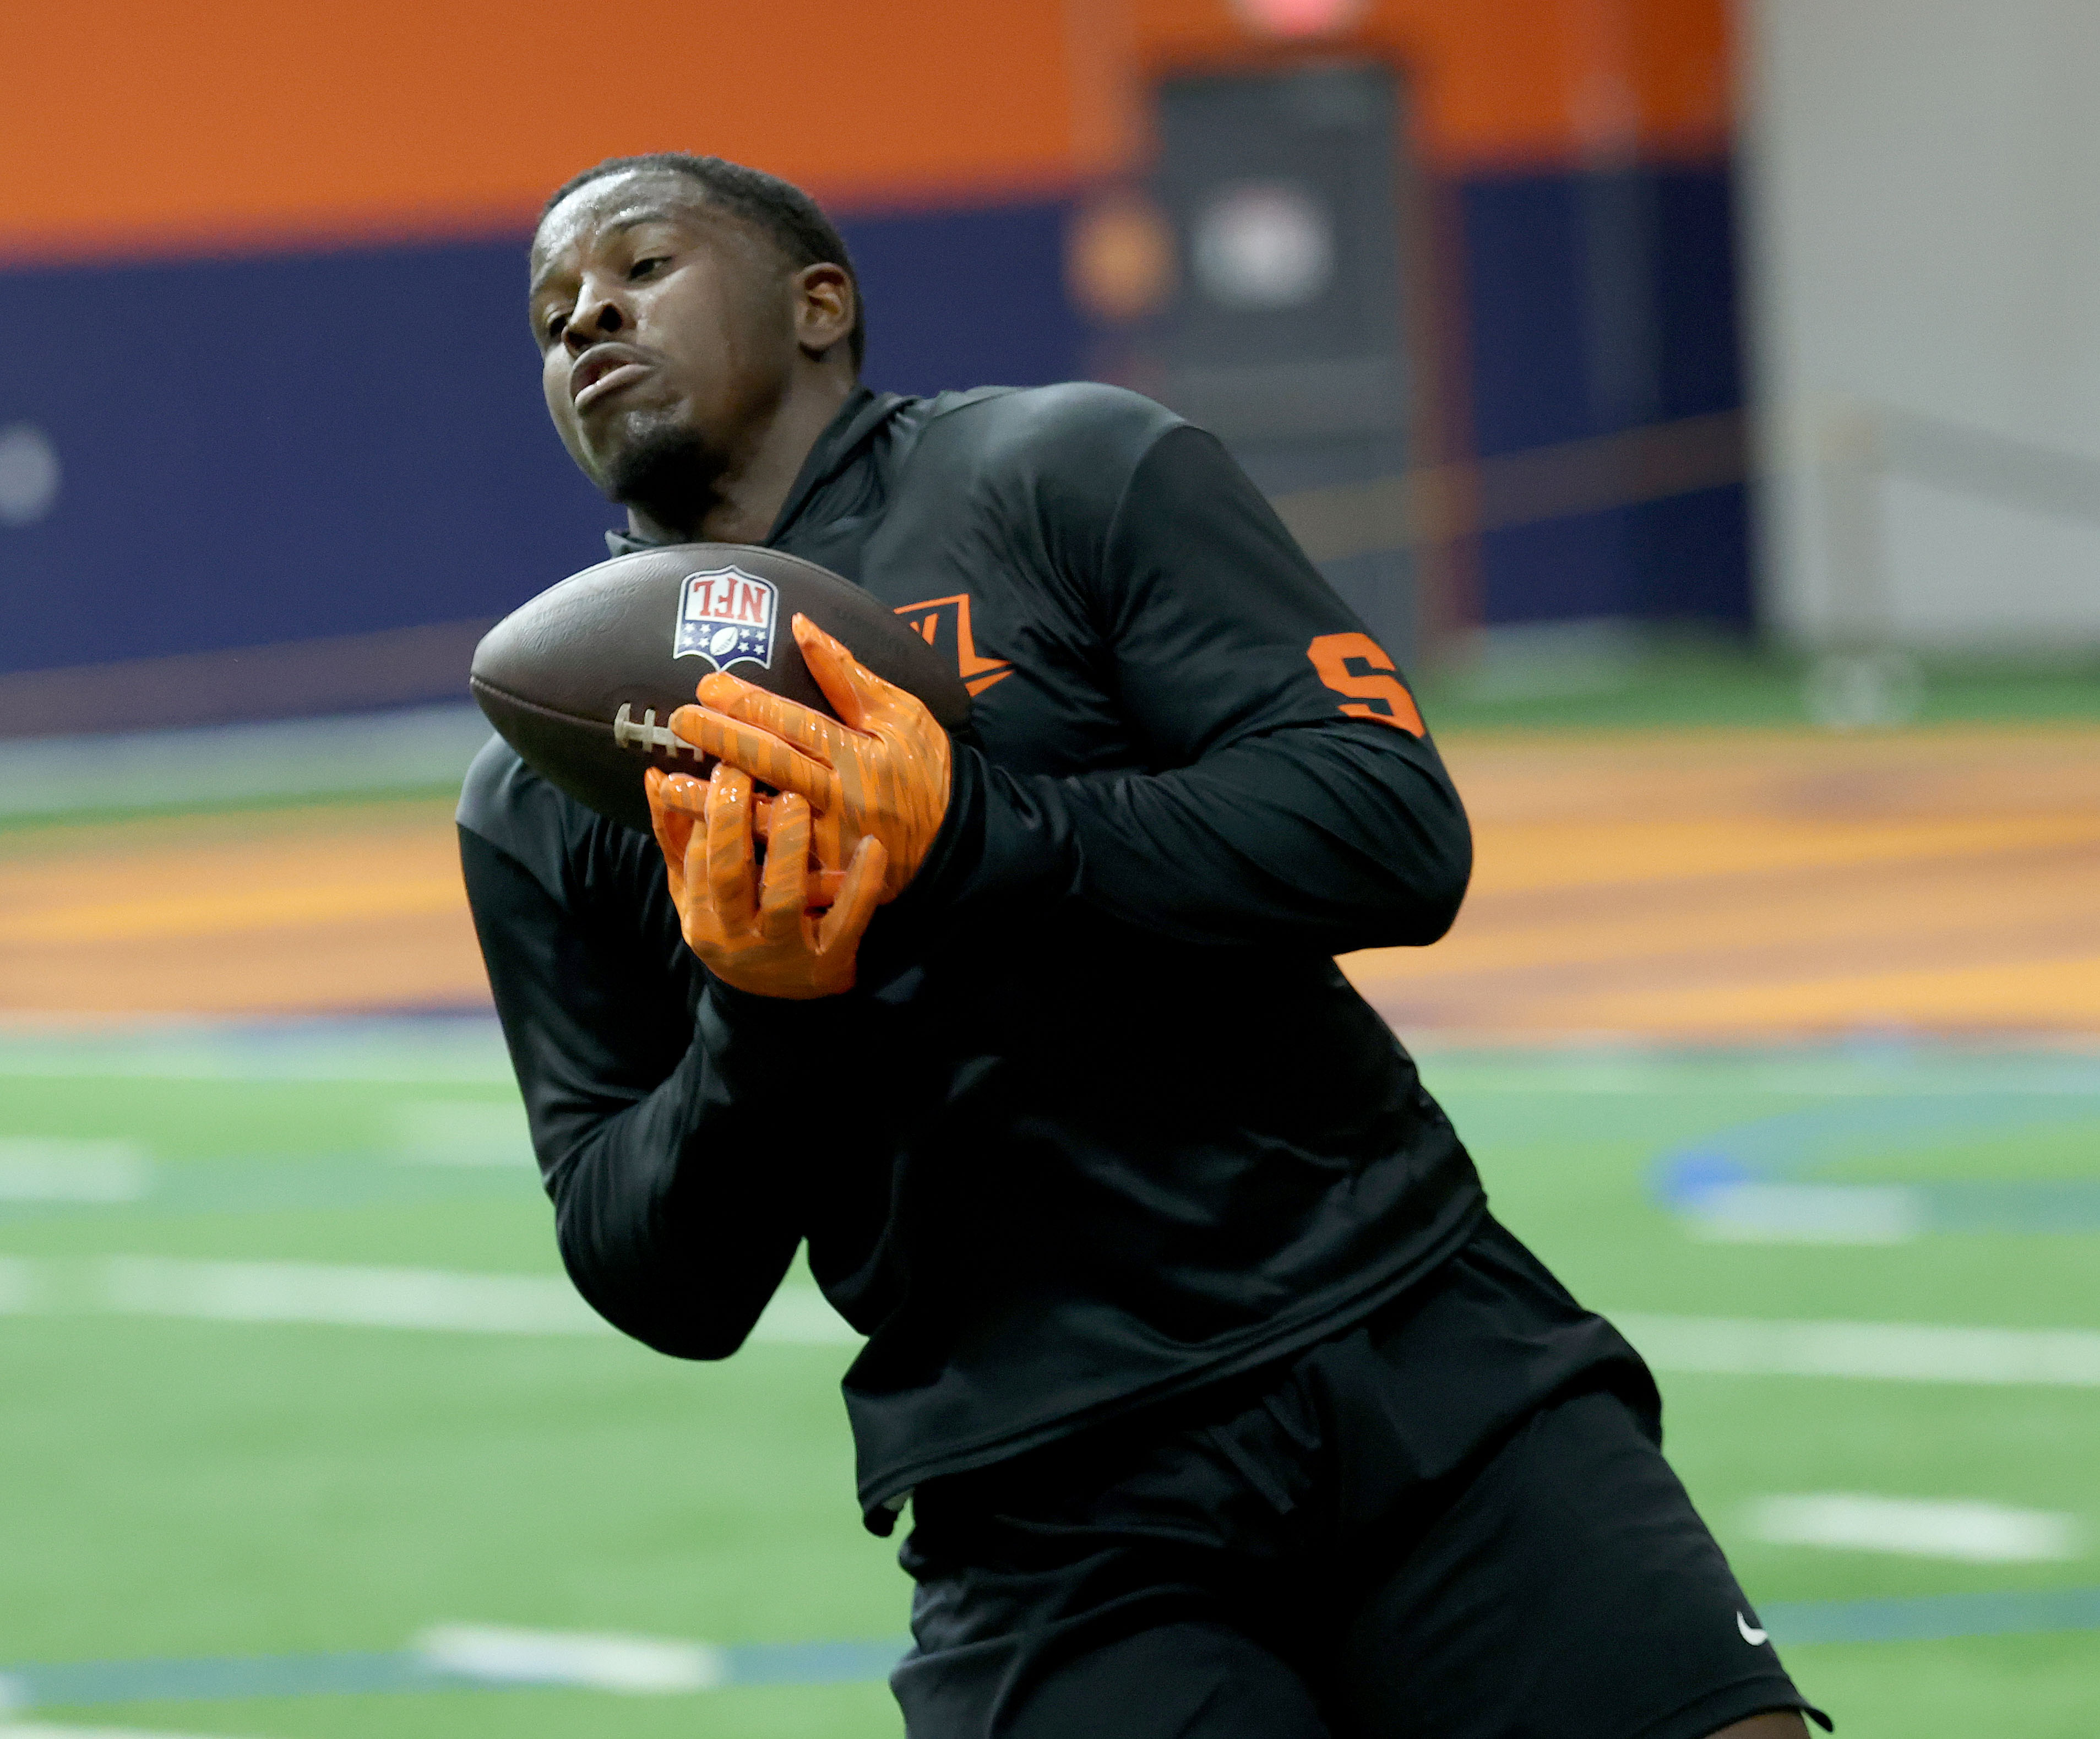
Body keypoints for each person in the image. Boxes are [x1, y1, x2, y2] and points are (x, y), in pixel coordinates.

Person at [460, 151, 1828, 1739]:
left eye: (639, 266)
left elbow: (1389, 826)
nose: (589, 319)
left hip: (1411, 1340)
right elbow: (656, 1279)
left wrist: (978, 837)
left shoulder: (1071, 474)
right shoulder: (547, 794)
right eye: (555, 312)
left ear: (819, 301)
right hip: (1039, 1489)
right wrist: (762, 1017)